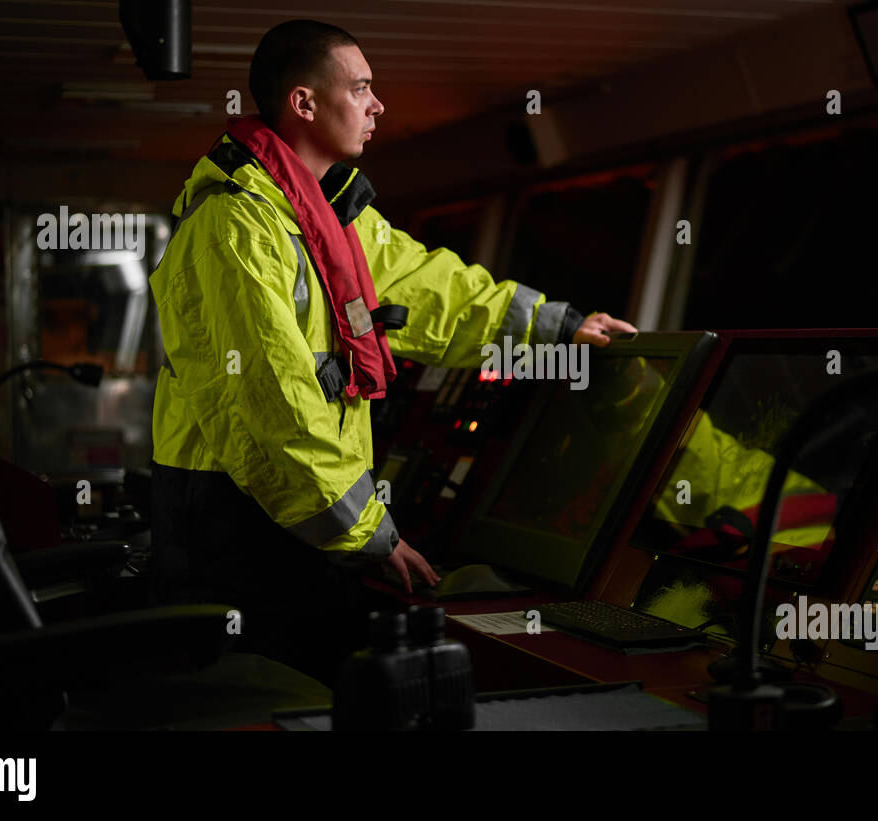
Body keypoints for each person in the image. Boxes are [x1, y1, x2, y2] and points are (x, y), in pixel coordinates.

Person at [147, 20, 636, 681]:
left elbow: (434, 288)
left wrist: (556, 325)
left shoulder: (325, 217)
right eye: (361, 88)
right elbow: (273, 404)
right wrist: (369, 534)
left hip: (300, 514)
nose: (377, 105)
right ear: (303, 103)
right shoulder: (235, 225)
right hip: (237, 523)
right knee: (273, 700)